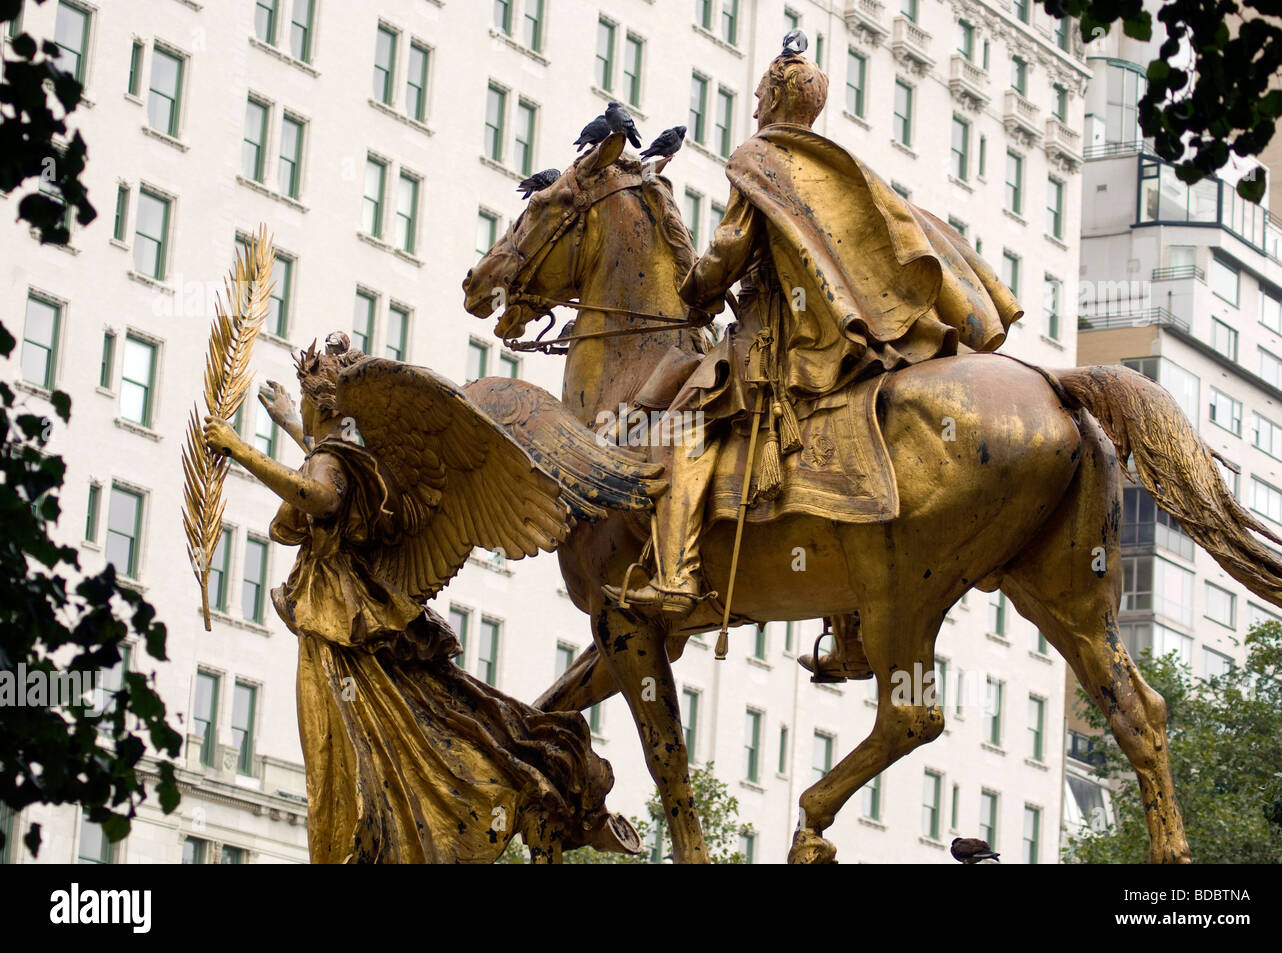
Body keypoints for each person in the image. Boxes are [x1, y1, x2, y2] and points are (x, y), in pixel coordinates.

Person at [610, 45, 1020, 681]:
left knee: (683, 425)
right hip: (844, 336)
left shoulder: (760, 158)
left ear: (775, 99)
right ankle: (850, 629)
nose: (754, 107)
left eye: (759, 97)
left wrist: (697, 289)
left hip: (778, 336)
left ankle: (675, 575)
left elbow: (731, 245)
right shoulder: (829, 163)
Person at [204, 333, 637, 862]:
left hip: (341, 630)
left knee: (347, 757)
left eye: (307, 404)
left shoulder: (336, 461)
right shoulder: (346, 456)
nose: (306, 415)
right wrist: (290, 421)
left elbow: (321, 495)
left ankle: (498, 801)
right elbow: (330, 473)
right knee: (377, 752)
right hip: (344, 630)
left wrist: (240, 450)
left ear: (324, 407)